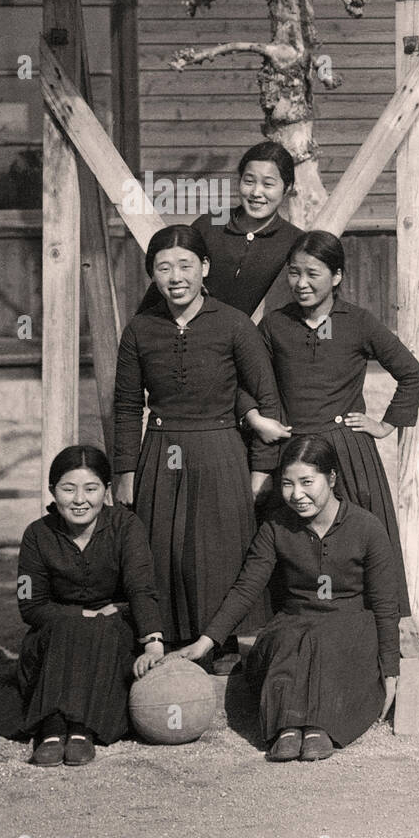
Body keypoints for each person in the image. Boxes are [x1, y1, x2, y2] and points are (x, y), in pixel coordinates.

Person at [154, 436, 399, 762]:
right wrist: (206, 642)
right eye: (287, 484)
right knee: (286, 639)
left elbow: (385, 604)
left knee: (327, 641)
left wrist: (392, 669)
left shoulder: (367, 527)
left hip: (349, 624)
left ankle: (320, 727)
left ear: (332, 479)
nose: (297, 495)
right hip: (296, 619)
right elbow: (246, 587)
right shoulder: (276, 527)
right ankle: (286, 727)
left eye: (307, 482)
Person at [114, 225, 285, 663]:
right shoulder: (139, 330)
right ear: (152, 274)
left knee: (221, 548)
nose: (176, 277)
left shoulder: (233, 325)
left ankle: (221, 642)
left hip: (221, 448)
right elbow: (129, 405)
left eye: (186, 265)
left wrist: (261, 471)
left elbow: (267, 398)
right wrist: (126, 472)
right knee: (165, 545)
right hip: (161, 447)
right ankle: (166, 639)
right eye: (164, 267)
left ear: (205, 268)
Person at [247, 230, 419, 618]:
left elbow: (413, 374)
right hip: (293, 455)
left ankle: (376, 627)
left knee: (360, 542)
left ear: (337, 276)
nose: (302, 283)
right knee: (292, 544)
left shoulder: (358, 322)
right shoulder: (275, 326)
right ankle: (297, 626)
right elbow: (249, 384)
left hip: (348, 454)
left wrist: (385, 424)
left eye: (313, 273)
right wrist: (258, 422)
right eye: (294, 273)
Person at [0, 445, 164, 766]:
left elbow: (141, 587)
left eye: (91, 489)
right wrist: (81, 615)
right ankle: (51, 728)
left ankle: (82, 729)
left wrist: (152, 642)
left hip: (112, 630)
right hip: (54, 633)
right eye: (68, 489)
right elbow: (31, 607)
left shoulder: (126, 527)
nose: (80, 499)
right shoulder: (37, 535)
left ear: (106, 491)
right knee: (69, 626)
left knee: (102, 631)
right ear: (53, 491)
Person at [137, 141, 303, 317]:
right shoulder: (210, 224)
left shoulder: (294, 241)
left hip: (255, 341)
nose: (256, 192)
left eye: (268, 184)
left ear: (288, 188)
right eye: (249, 181)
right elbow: (162, 287)